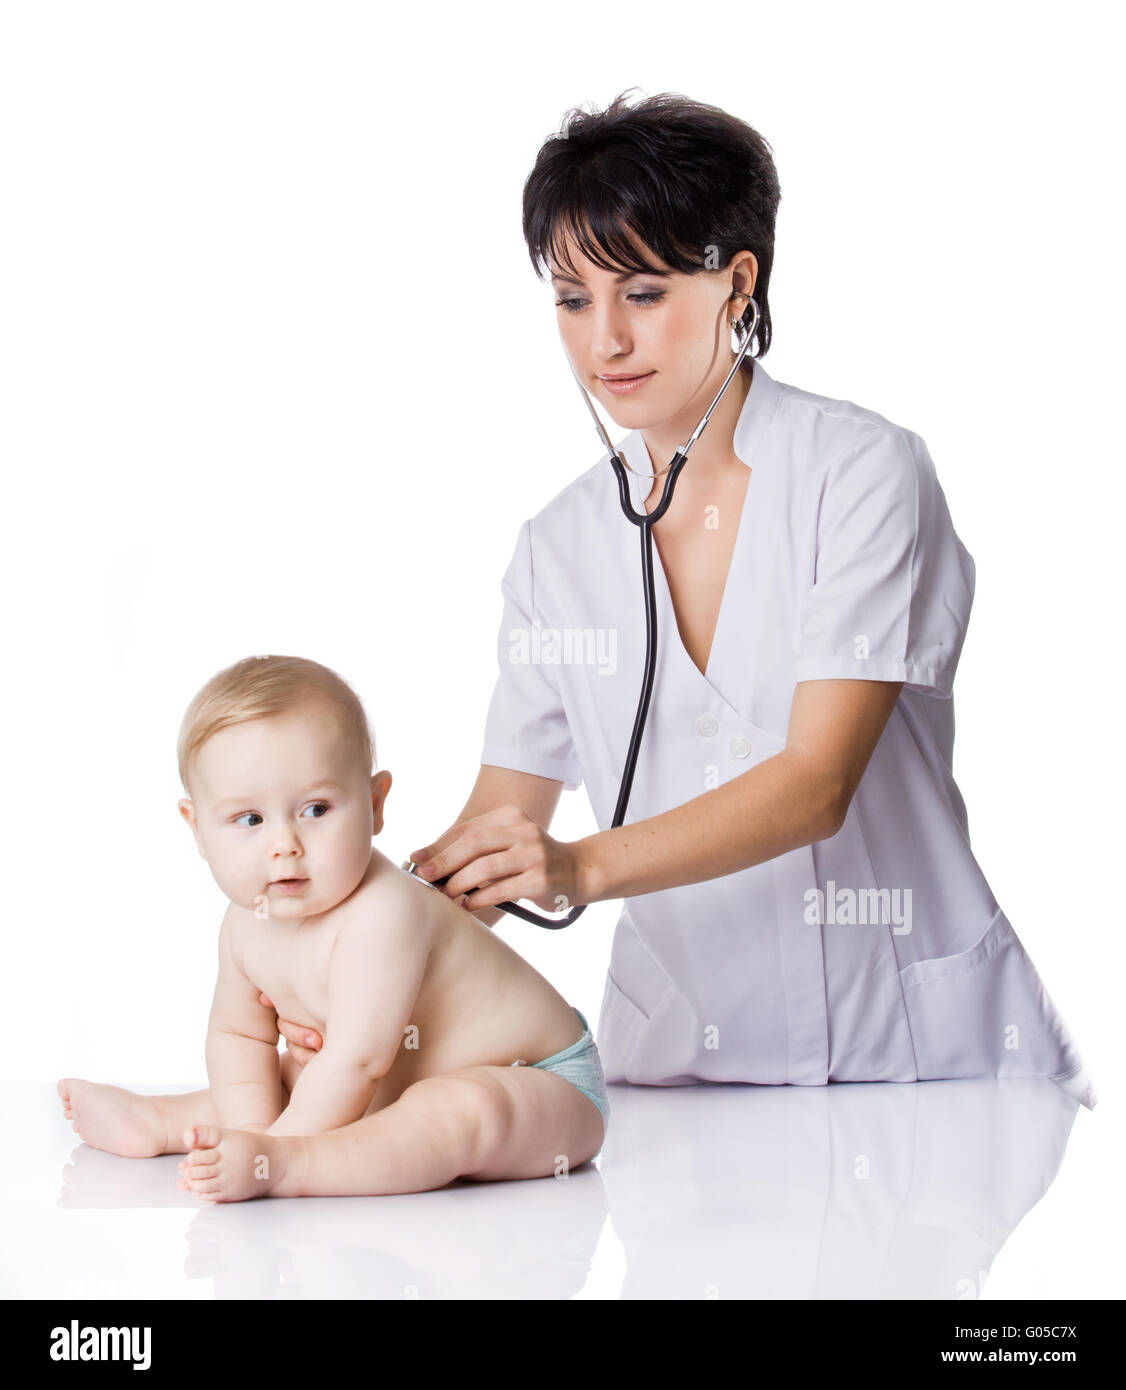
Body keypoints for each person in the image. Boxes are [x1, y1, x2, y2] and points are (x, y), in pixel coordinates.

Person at [272, 91, 1097, 1110]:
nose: (604, 340)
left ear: (736, 283)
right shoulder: (557, 549)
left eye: (644, 292)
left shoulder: (861, 472)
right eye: (572, 299)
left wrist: (575, 866)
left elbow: (815, 783)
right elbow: (499, 823)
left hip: (917, 1061)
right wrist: (353, 966)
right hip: (681, 1081)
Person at [58, 654, 610, 1202]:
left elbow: (359, 1060)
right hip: (381, 1082)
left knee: (456, 1111)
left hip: (543, 1084)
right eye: (249, 820)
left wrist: (277, 1152)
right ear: (197, 829)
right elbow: (239, 1036)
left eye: (316, 809)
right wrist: (254, 1134)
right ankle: (162, 1121)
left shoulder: (384, 911)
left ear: (374, 804)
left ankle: (295, 1166)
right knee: (292, 1077)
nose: (285, 845)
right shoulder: (245, 922)